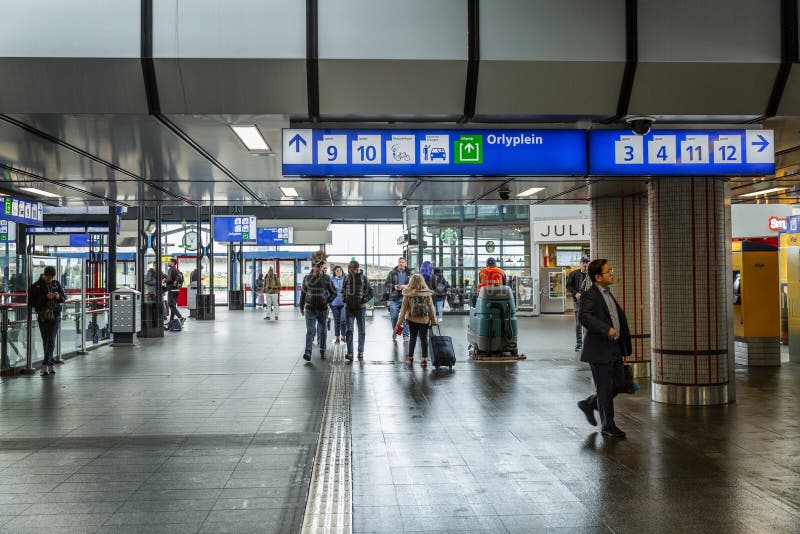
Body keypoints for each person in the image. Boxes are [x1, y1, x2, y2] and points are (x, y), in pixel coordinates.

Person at [576, 259, 632, 438]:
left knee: (620, 384)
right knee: (605, 388)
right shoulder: (590, 295)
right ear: (598, 277)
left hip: (614, 347)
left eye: (611, 270)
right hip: (599, 349)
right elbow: (584, 317)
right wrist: (605, 329)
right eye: (608, 271)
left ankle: (590, 404)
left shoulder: (608, 293)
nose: (612, 273)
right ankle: (608, 425)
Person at [28, 266, 66, 376]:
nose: (50, 279)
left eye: (52, 277)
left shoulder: (56, 284)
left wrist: (58, 296)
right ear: (44, 275)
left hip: (55, 315)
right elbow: (32, 303)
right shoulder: (36, 286)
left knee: (51, 339)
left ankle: (45, 364)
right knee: (46, 340)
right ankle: (51, 364)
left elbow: (64, 298)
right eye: (48, 276)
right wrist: (46, 298)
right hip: (43, 316)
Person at [394, 274, 437, 368]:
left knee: (412, 338)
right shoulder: (427, 293)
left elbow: (403, 310)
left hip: (412, 319)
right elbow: (431, 308)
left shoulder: (408, 293)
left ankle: (410, 357)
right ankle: (424, 359)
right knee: (424, 339)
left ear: (411, 282)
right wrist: (434, 321)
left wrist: (399, 323)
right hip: (424, 320)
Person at [300, 259, 336, 361]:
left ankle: (322, 350)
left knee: (323, 330)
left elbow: (334, 293)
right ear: (313, 267)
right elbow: (303, 293)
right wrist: (301, 307)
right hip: (309, 309)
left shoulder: (327, 278)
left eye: (320, 266)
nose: (319, 268)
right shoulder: (307, 278)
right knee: (310, 331)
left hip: (323, 310)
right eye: (317, 266)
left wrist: (326, 301)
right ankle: (308, 353)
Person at [342, 260, 373, 362]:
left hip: (360, 308)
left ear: (355, 268)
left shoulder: (364, 278)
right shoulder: (347, 278)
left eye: (350, 268)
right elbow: (343, 290)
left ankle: (360, 351)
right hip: (349, 308)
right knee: (349, 330)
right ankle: (350, 353)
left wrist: (363, 300)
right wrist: (344, 299)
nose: (349, 270)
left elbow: (371, 292)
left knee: (361, 330)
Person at [565, 257, 592, 352]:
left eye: (587, 262)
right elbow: (568, 285)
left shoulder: (591, 275)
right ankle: (579, 344)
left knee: (589, 323)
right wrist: (575, 293)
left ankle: (588, 344)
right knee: (578, 323)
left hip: (589, 302)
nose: (585, 264)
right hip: (578, 302)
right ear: (580, 263)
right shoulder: (574, 274)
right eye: (583, 262)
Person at [385, 257, 414, 341]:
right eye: (399, 262)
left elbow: (414, 285)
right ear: (398, 263)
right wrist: (394, 286)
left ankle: (406, 335)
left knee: (405, 317)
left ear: (405, 263)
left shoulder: (410, 273)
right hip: (395, 298)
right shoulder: (392, 273)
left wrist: (406, 286)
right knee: (394, 317)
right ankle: (396, 331)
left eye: (402, 262)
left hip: (406, 298)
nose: (401, 263)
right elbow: (387, 285)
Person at [165, 258, 185, 326]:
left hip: (172, 289)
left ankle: (181, 318)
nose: (168, 263)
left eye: (169, 262)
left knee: (171, 304)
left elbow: (169, 280)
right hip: (176, 289)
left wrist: (165, 281)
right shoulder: (177, 269)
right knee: (173, 305)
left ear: (173, 263)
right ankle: (171, 321)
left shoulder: (171, 269)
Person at [329, 265, 347, 344]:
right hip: (334, 303)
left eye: (340, 270)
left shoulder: (345, 279)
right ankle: (337, 337)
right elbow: (328, 291)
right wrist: (328, 302)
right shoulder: (331, 280)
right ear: (334, 272)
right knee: (336, 321)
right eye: (337, 270)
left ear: (342, 271)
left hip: (344, 303)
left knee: (343, 320)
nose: (339, 272)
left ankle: (343, 336)